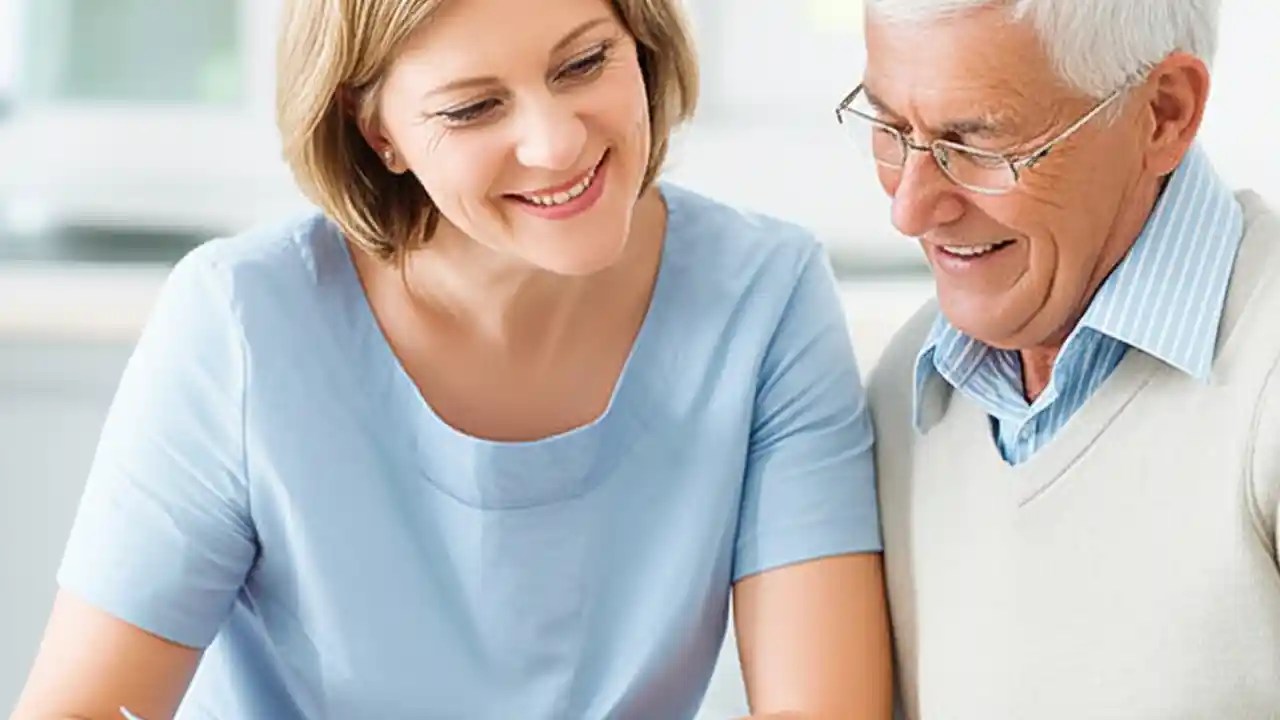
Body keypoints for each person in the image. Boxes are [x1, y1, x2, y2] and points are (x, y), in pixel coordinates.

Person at [12, 0, 894, 718]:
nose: (556, 143)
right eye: (473, 107)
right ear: (377, 131)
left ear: (640, 37)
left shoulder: (765, 297)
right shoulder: (241, 322)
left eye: (584, 63)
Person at [839, 0, 1280, 717]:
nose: (910, 209)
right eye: (890, 130)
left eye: (979, 143)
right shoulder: (906, 394)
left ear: (1164, 114)